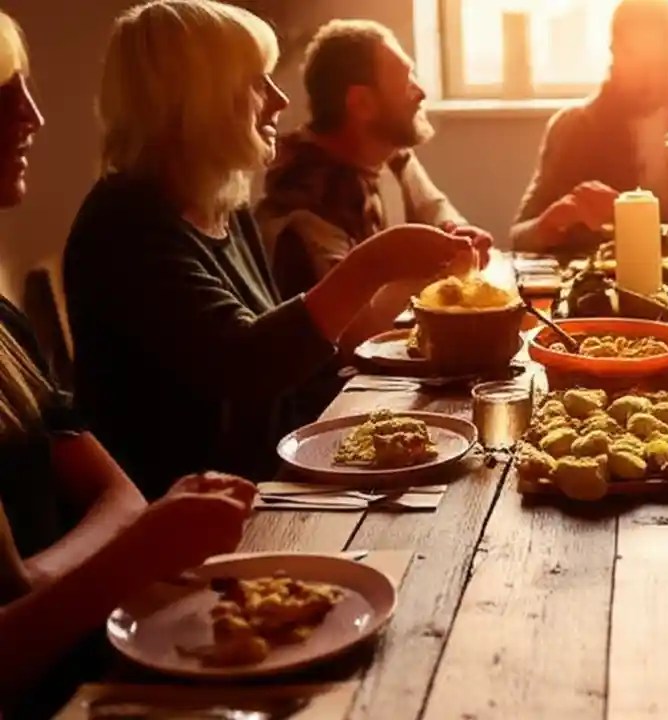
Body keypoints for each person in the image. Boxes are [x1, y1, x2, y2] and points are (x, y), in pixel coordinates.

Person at [63, 0, 487, 499]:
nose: (280, 99)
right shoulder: (126, 223)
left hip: (268, 472)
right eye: (258, 81)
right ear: (199, 99)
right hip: (192, 513)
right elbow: (246, 366)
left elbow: (288, 370)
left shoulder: (222, 202)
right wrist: (374, 264)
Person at [0, 11, 257, 712]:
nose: (34, 114)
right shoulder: (124, 220)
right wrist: (123, 558)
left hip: (102, 640)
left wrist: (47, 580)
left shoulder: (1, 328)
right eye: (3, 90)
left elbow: (122, 497)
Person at [255, 18, 493, 348]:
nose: (420, 92)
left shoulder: (391, 157)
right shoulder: (304, 201)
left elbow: (440, 213)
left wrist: (458, 235)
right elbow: (353, 334)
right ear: (362, 103)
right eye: (406, 81)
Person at [509, 0, 668, 254]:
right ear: (613, 51)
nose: (647, 77)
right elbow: (519, 237)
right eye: (634, 60)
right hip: (603, 287)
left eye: (659, 62)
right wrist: (552, 222)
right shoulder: (573, 126)